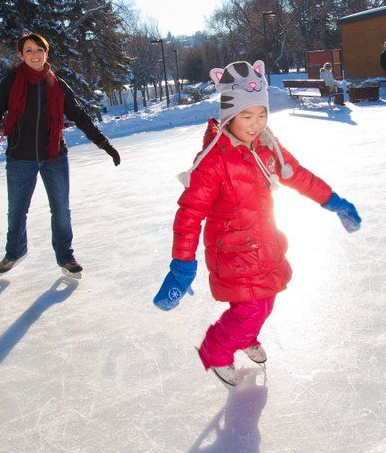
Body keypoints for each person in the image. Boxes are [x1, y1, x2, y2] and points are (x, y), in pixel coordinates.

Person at [152, 59, 362, 387]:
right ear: (229, 116)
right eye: (246, 116)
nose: (255, 124)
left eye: (261, 114)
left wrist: (332, 200)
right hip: (233, 252)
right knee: (251, 308)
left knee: (264, 302)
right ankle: (215, 351)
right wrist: (182, 264)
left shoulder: (266, 145)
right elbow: (190, 213)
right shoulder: (214, 161)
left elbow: (297, 174)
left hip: (263, 243)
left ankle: (244, 336)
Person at [0, 32, 121, 278]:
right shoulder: (12, 81)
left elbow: (80, 117)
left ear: (46, 53)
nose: (35, 55)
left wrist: (104, 144)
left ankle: (66, 257)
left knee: (61, 209)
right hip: (20, 156)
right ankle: (15, 251)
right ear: (21, 55)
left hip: (54, 156)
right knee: (17, 210)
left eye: (39, 50)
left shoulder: (57, 84)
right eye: (29, 50)